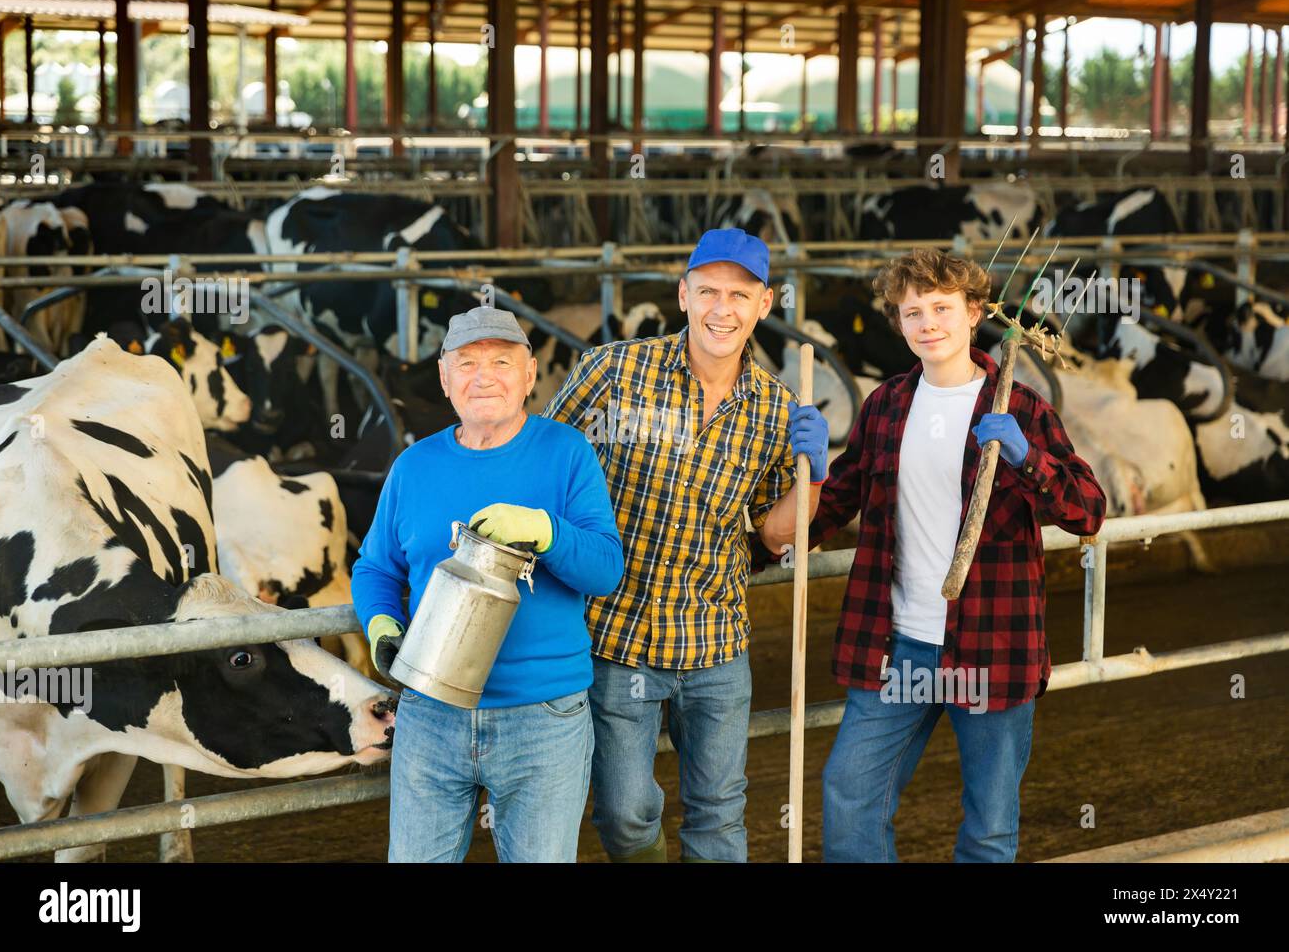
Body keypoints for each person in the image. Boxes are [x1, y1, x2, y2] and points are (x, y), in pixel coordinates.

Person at [766, 247, 1107, 862]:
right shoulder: (886, 405)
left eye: (943, 308)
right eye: (912, 311)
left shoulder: (1021, 406)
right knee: (850, 793)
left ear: (975, 312)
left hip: (993, 643)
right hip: (899, 645)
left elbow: (1088, 509)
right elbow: (831, 506)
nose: (928, 324)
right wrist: (807, 477)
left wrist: (1030, 459)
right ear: (898, 323)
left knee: (989, 823)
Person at [544, 228, 830, 862]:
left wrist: (816, 471)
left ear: (764, 305)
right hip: (617, 637)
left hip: (715, 641)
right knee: (623, 812)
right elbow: (544, 458)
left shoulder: (777, 410)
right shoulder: (615, 371)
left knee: (720, 815)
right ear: (683, 295)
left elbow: (779, 533)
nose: (720, 310)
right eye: (707, 291)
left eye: (739, 295)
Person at [352, 306, 624, 863]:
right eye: (468, 363)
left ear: (529, 376)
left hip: (543, 715)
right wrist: (382, 625)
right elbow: (375, 567)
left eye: (503, 361)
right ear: (445, 378)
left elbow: (604, 569)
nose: (485, 376)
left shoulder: (568, 454)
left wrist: (546, 531)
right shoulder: (413, 465)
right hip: (429, 713)